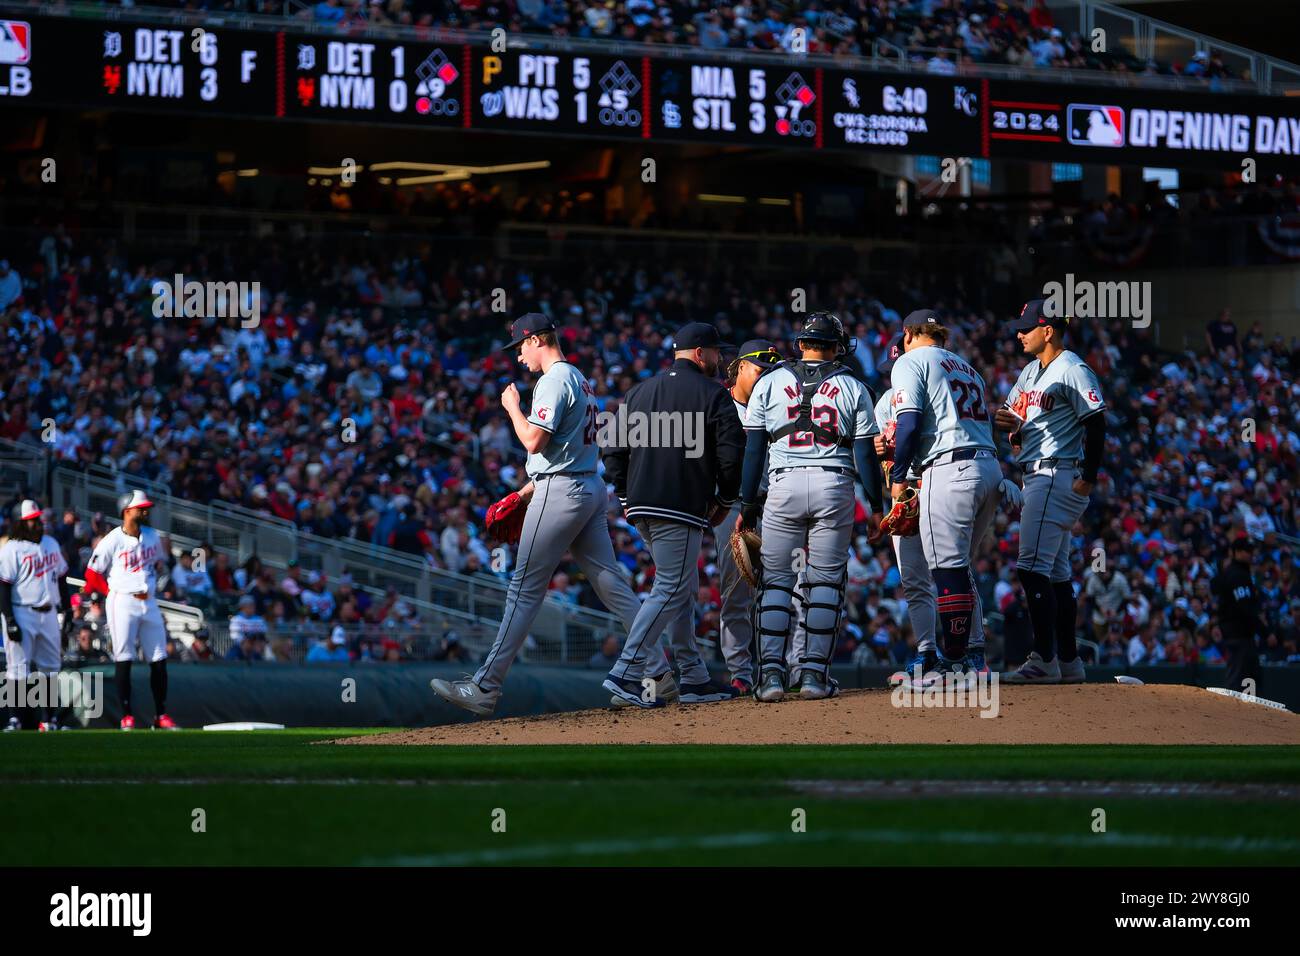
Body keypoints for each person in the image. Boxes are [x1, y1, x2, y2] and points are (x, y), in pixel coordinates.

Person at [430, 314, 644, 716]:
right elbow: (567, 450)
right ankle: (660, 670)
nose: (519, 356)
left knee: (524, 590)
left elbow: (532, 441)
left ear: (536, 340)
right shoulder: (579, 378)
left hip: (562, 492)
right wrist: (527, 490)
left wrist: (512, 407)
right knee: (611, 584)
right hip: (587, 488)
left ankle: (484, 686)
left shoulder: (553, 380)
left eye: (521, 346)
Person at [739, 312, 884, 701]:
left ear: (801, 343)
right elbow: (866, 458)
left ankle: (770, 677)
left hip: (783, 484)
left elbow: (753, 452)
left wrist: (747, 505)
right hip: (834, 484)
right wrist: (875, 506)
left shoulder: (769, 382)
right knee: (824, 585)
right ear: (836, 347)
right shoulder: (854, 385)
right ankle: (813, 677)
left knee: (776, 583)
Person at [602, 321, 745, 706]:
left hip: (642, 507)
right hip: (679, 506)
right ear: (700, 353)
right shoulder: (714, 395)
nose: (720, 359)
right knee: (670, 588)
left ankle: (694, 677)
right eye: (716, 351)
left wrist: (624, 494)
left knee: (680, 588)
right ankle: (626, 673)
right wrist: (725, 499)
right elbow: (732, 457)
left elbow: (611, 448)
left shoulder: (639, 390)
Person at [995, 299, 1106, 684]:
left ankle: (1043, 658)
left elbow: (1096, 423)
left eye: (1027, 327)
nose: (1019, 333)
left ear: (1049, 330)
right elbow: (1013, 415)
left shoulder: (1073, 368)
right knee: (1057, 574)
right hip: (1038, 471)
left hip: (1056, 474)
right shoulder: (1029, 371)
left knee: (1030, 568)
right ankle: (1071, 661)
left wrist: (1088, 476)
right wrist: (1009, 427)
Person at [885, 309, 1001, 678]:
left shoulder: (911, 360)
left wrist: (899, 476)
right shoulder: (968, 368)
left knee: (946, 570)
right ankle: (972, 656)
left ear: (907, 335)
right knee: (960, 569)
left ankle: (953, 664)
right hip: (988, 468)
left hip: (950, 470)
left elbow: (909, 422)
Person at [711, 339, 799, 693]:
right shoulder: (719, 404)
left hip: (774, 502)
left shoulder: (781, 404)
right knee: (736, 589)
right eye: (761, 370)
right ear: (740, 367)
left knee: (786, 588)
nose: (766, 378)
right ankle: (740, 672)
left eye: (772, 372)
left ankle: (787, 666)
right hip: (731, 505)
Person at [872, 338, 940, 686]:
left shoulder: (939, 393)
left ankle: (971, 651)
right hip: (909, 489)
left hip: (941, 483)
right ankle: (928, 652)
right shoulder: (885, 404)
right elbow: (881, 462)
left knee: (953, 571)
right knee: (914, 579)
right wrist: (877, 450)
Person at [83, 490, 178, 730]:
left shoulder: (152, 535)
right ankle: (127, 715)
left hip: (149, 601)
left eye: (146, 507)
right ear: (127, 511)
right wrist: (110, 592)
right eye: (141, 508)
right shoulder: (113, 539)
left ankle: (160, 715)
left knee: (158, 657)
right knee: (124, 656)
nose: (146, 511)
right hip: (123, 600)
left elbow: (157, 562)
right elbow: (92, 573)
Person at [0, 500, 70, 731]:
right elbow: (4, 587)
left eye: (38, 519)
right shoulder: (12, 549)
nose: (37, 524)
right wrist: (9, 619)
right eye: (31, 521)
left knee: (51, 667)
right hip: (21, 611)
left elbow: (61, 577)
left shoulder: (50, 543)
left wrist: (67, 609)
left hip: (48, 612)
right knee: (18, 668)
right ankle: (15, 720)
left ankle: (48, 721)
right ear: (21, 523)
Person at [1216, 534, 1265, 694]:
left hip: (1242, 635)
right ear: (1236, 552)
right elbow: (1245, 609)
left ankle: (1248, 716)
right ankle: (1235, 716)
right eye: (1246, 551)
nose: (1250, 554)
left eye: (1251, 551)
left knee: (1249, 681)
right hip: (1238, 635)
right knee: (1239, 680)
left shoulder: (1241, 573)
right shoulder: (1237, 575)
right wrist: (1264, 631)